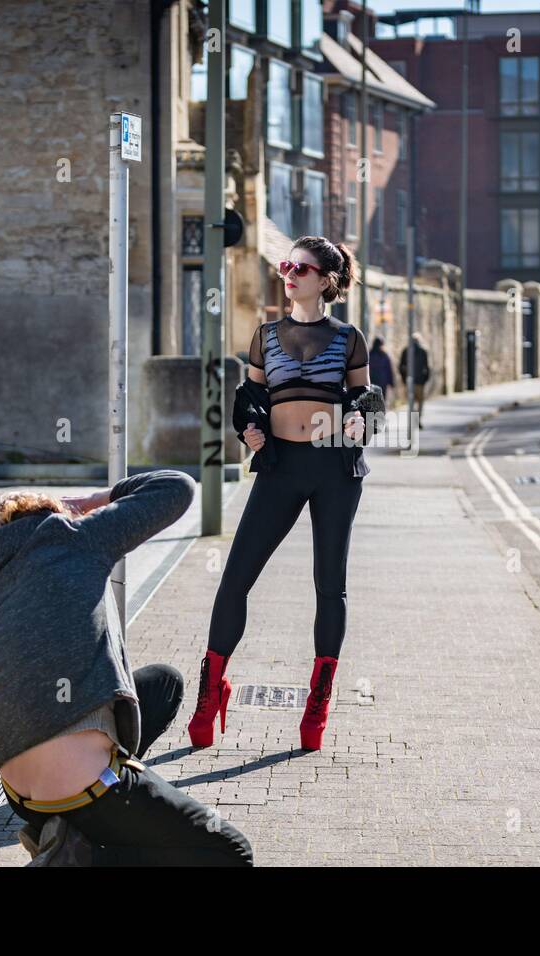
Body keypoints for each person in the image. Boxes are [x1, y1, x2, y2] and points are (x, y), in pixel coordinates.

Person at [0, 475, 253, 866]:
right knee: (229, 851)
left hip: (21, 797)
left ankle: (73, 835)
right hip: (83, 786)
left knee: (162, 683)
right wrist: (97, 501)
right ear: (59, 515)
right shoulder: (76, 537)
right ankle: (88, 849)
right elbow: (178, 488)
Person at [187, 235, 369, 753]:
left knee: (328, 585)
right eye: (287, 265)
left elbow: (366, 401)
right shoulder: (264, 335)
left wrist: (359, 419)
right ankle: (209, 690)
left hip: (334, 469)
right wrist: (249, 431)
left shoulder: (348, 337)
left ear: (326, 281)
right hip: (281, 468)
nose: (289, 273)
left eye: (302, 268)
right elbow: (250, 401)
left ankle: (319, 701)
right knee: (235, 579)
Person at [399, 331, 431, 428]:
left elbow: (401, 367)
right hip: (420, 382)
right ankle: (418, 419)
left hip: (410, 382)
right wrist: (425, 379)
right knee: (420, 403)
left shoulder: (406, 351)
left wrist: (404, 379)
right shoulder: (423, 351)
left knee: (411, 403)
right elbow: (427, 367)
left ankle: (414, 420)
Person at [368, 336, 395, 408]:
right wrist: (391, 383)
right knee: (382, 401)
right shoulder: (384, 355)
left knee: (372, 401)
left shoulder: (369, 354)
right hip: (382, 382)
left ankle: (373, 416)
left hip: (372, 381)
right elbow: (389, 370)